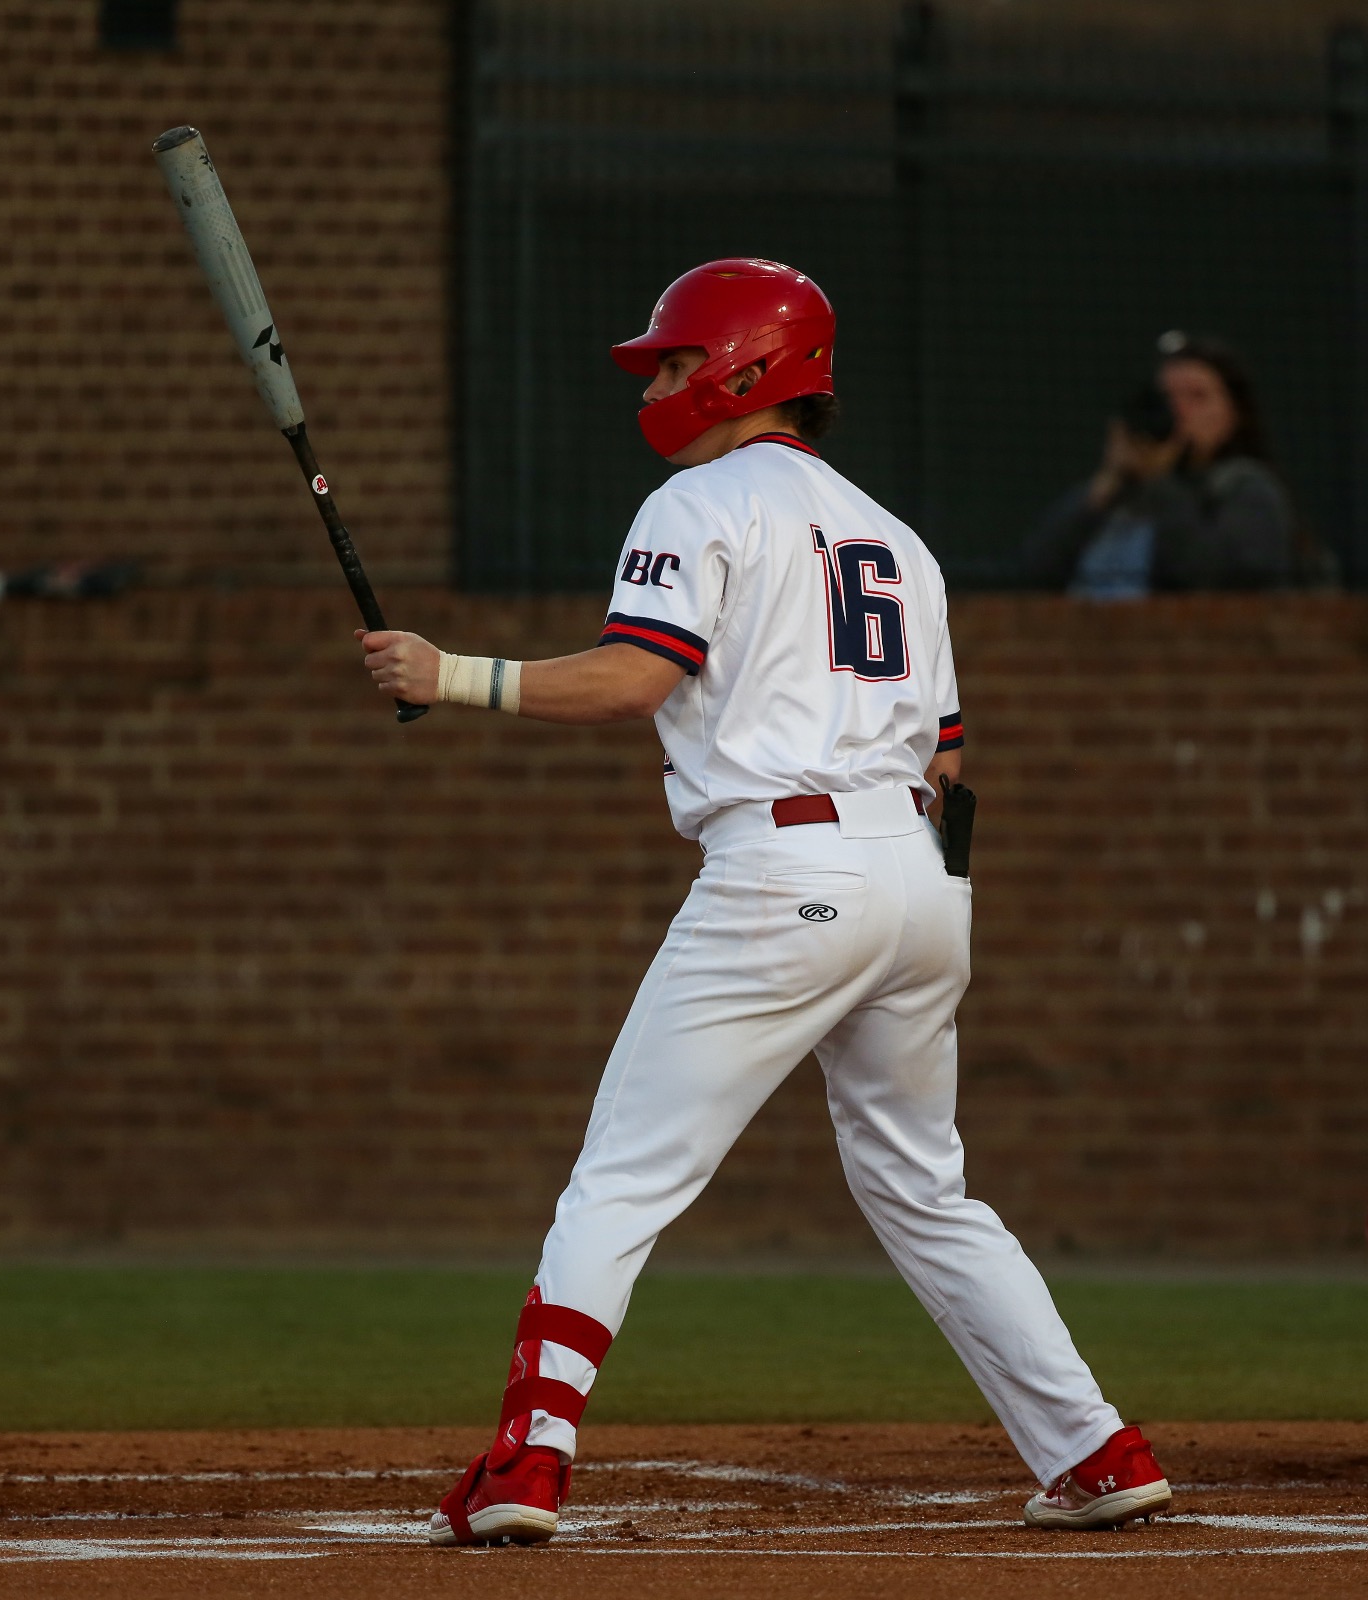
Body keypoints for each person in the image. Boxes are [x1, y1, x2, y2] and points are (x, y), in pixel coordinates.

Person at [356, 257, 1172, 1545]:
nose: (658, 386)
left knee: (623, 1175)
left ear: (746, 367)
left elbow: (635, 679)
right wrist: (911, 895)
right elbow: (947, 757)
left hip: (783, 869)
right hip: (921, 879)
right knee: (926, 1191)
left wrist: (450, 674)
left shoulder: (697, 501)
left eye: (676, 362)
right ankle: (1094, 1447)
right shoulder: (896, 537)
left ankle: (526, 1461)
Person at [1020, 332, 1306, 596]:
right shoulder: (1115, 497)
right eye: (1167, 397)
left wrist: (1159, 480)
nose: (1179, 410)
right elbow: (1028, 580)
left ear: (1235, 414)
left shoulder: (1245, 491)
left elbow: (1214, 585)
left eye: (1197, 396)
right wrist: (1100, 493)